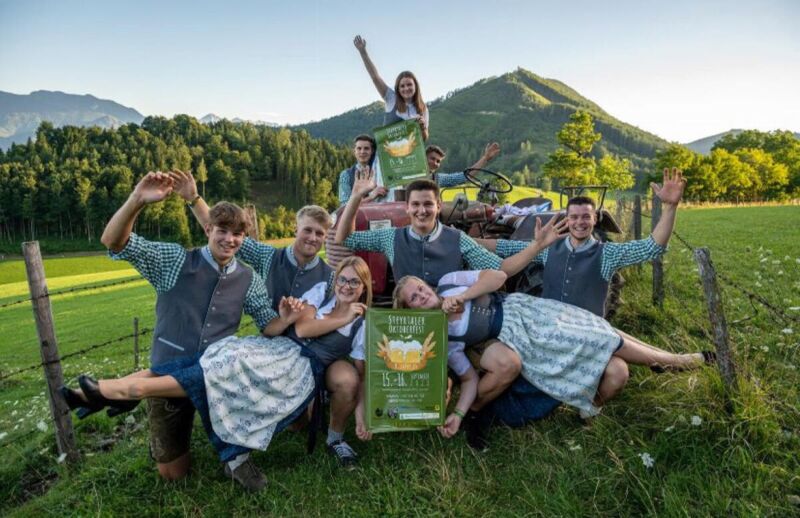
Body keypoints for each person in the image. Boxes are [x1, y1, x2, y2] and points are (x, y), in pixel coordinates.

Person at [74, 171, 280, 489]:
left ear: (244, 237)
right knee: (173, 474)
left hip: (215, 380)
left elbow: (268, 322)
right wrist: (136, 201)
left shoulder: (248, 278)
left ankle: (236, 455)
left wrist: (294, 319)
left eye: (238, 234)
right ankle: (133, 393)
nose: (230, 239)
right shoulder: (174, 260)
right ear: (208, 228)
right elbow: (114, 242)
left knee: (239, 391)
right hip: (168, 369)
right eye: (223, 230)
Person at [169, 170, 363, 468]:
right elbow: (224, 232)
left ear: (326, 238)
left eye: (320, 234)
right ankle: (239, 439)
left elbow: (341, 308)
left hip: (311, 349)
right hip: (273, 342)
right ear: (296, 229)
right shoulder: (267, 256)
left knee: (320, 403)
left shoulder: (327, 276)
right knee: (283, 412)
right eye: (307, 230)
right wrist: (194, 198)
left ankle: (326, 429)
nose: (312, 238)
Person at [392, 268, 707, 424]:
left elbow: (498, 275)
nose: (421, 296)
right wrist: (462, 412)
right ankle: (669, 361)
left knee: (599, 328)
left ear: (428, 285)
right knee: (602, 341)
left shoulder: (450, 281)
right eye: (413, 299)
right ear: (411, 310)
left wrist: (464, 296)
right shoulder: (443, 337)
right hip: (520, 336)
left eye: (420, 288)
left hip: (525, 311)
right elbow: (467, 378)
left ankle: (668, 360)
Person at [480, 168, 712, 372]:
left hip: (589, 333)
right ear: (567, 220)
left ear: (595, 219)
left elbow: (652, 247)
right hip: (553, 329)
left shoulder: (606, 253)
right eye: (574, 217)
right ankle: (676, 360)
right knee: (612, 336)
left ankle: (675, 361)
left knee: (614, 351)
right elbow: (504, 246)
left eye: (585, 217)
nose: (579, 222)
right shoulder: (547, 249)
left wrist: (670, 207)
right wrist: (460, 240)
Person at [336, 141, 502, 206]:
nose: (435, 163)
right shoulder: (402, 176)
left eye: (438, 161)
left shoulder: (435, 178)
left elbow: (463, 176)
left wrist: (485, 159)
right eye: (432, 159)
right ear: (422, 158)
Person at [354, 34, 429, 140]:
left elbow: (424, 138)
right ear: (397, 88)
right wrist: (363, 52)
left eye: (409, 84)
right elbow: (375, 77)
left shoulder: (422, 108)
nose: (406, 88)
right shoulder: (391, 98)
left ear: (416, 86)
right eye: (402, 86)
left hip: (410, 156)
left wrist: (422, 128)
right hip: (389, 154)